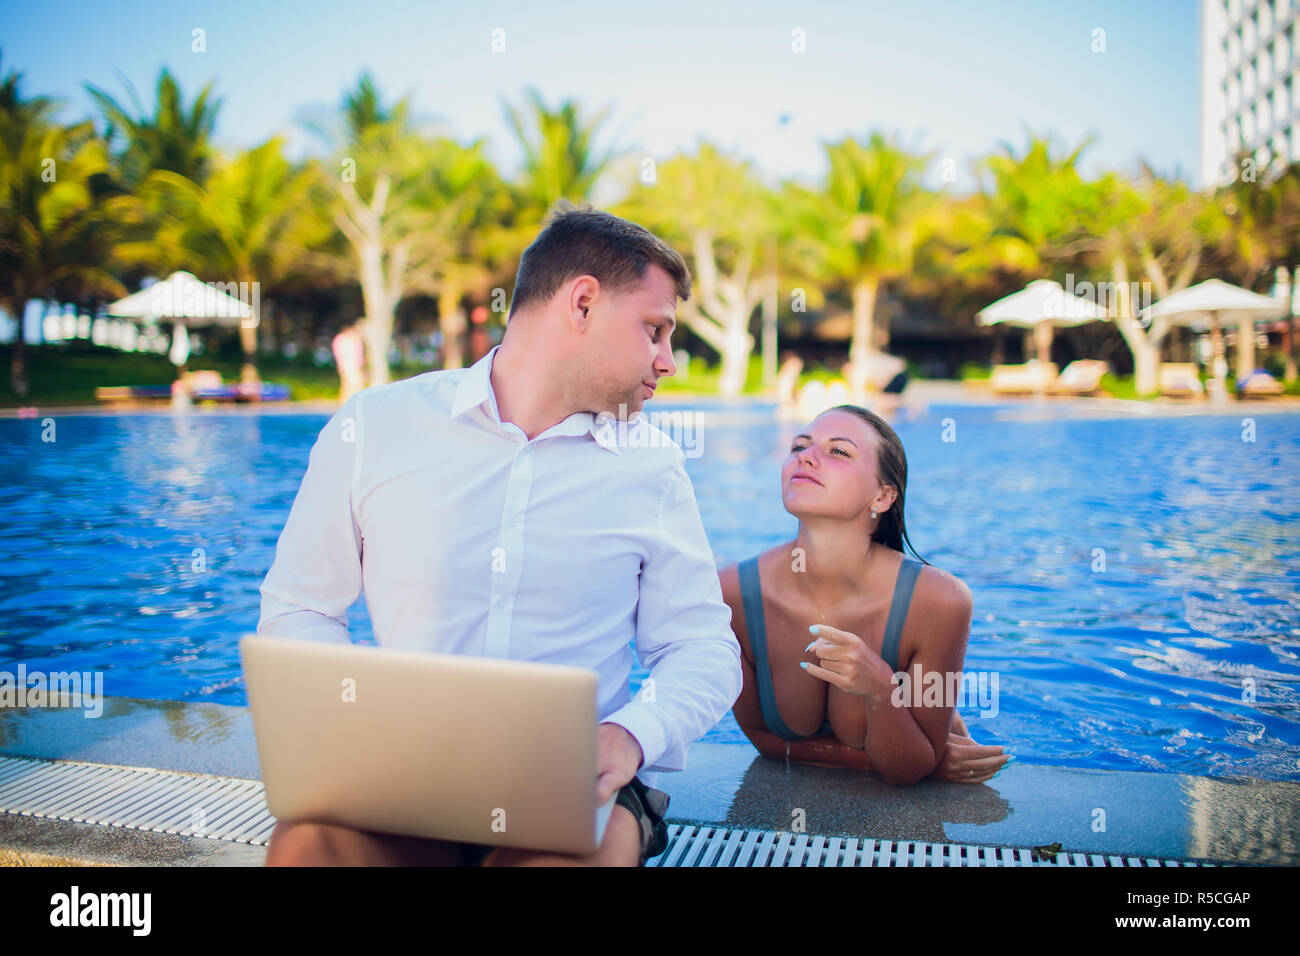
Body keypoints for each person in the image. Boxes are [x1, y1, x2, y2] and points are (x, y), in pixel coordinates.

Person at [258, 202, 742, 866]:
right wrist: (356, 719)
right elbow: (301, 607)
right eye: (654, 330)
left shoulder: (651, 466)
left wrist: (630, 736)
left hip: (580, 784)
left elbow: (703, 649)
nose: (668, 361)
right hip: (410, 772)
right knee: (307, 848)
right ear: (581, 304)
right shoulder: (374, 426)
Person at [718, 405, 1009, 785]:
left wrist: (882, 690)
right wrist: (920, 759)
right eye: (798, 447)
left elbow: (908, 769)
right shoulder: (732, 593)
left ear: (883, 496)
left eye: (838, 451)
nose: (805, 457)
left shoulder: (940, 601)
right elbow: (761, 738)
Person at [331, 320, 367, 403]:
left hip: (351, 365)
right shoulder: (345, 340)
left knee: (352, 384)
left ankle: (348, 402)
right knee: (352, 384)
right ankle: (347, 402)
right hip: (349, 365)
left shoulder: (353, 339)